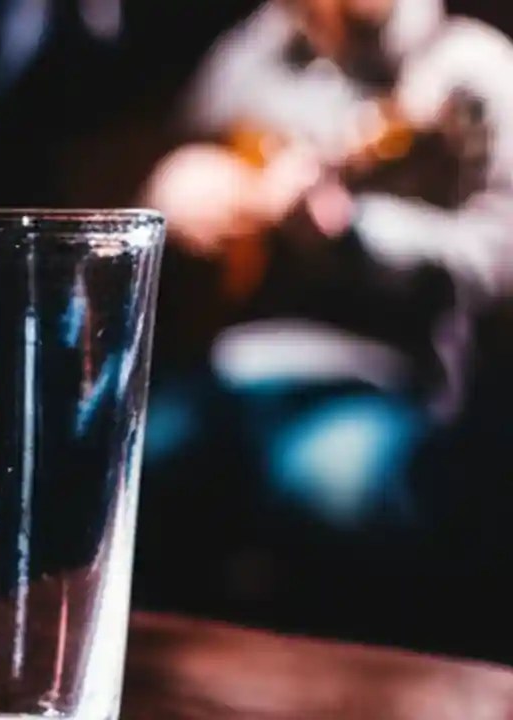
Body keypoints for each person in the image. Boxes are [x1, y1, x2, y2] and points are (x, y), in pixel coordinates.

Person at [139, 0, 513, 656]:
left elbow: (495, 258)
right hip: (224, 364)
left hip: (381, 378)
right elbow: (176, 165)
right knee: (120, 470)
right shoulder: (254, 46)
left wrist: (355, 236)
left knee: (335, 487)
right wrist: (170, 191)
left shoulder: (471, 67)